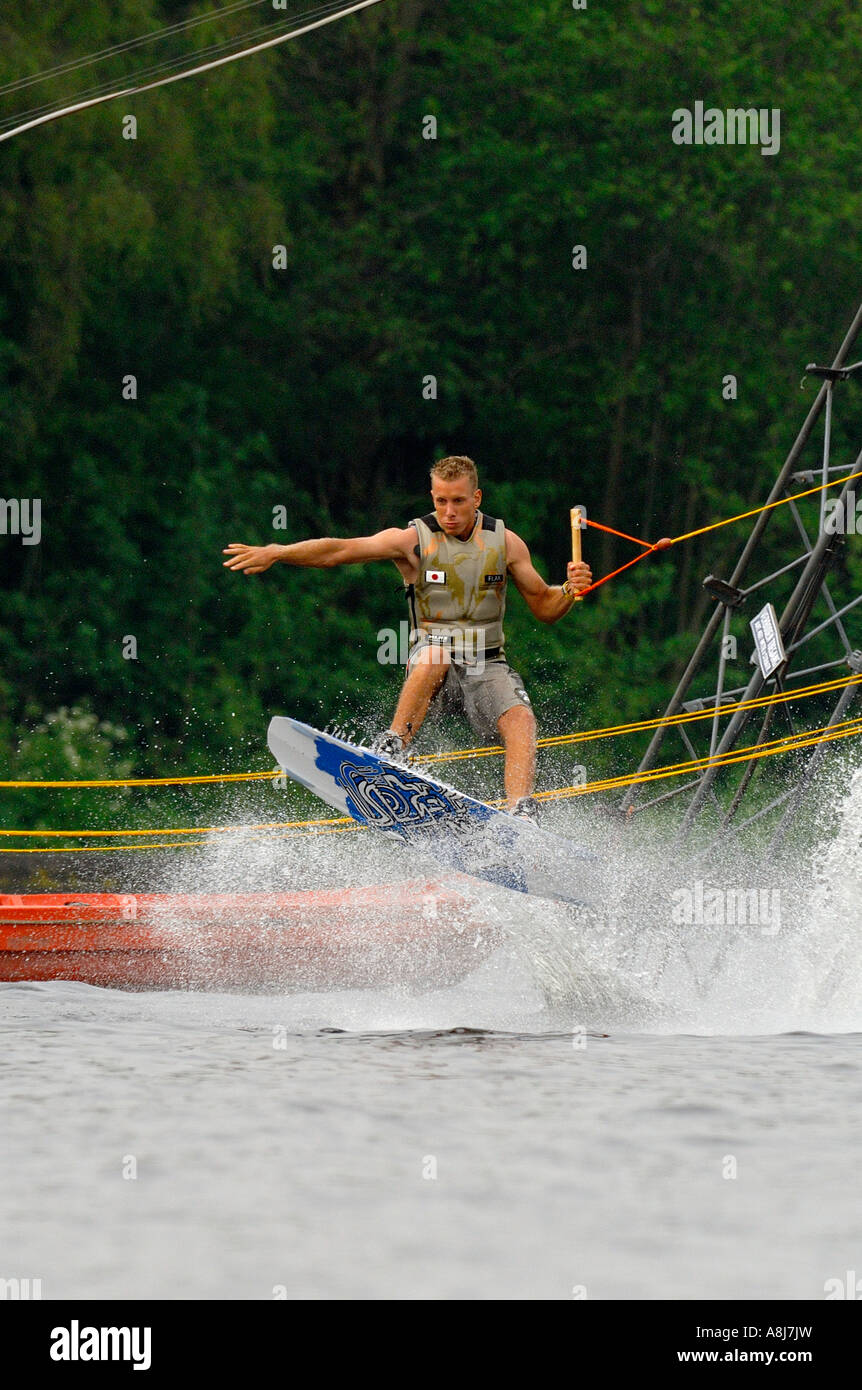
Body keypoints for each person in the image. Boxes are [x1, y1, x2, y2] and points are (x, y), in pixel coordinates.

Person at [223, 455, 592, 819]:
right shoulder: (412, 540)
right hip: (432, 659)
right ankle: (392, 749)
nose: (449, 511)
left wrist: (569, 591)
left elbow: (545, 607)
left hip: (486, 660)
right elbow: (340, 550)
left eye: (459, 501)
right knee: (437, 654)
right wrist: (278, 552)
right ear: (432, 498)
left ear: (476, 499)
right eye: (441, 501)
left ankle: (521, 812)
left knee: (522, 720)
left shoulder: (506, 543)